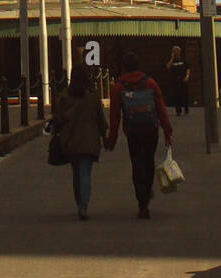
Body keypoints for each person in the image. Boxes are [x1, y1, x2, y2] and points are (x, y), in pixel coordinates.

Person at [106, 51, 173, 219]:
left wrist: (111, 139)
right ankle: (147, 192)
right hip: (151, 129)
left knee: (137, 164)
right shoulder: (150, 83)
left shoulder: (118, 87)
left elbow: (114, 116)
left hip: (133, 131)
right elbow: (160, 108)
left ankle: (142, 202)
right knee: (149, 162)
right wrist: (167, 131)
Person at [52, 63, 109, 220]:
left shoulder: (64, 96)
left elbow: (58, 119)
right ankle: (83, 204)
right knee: (85, 172)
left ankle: (80, 201)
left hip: (70, 140)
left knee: (76, 172)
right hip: (89, 140)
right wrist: (105, 138)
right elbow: (100, 119)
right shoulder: (92, 96)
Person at [164, 45, 191, 115]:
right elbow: (168, 66)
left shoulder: (183, 59)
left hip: (183, 78)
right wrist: (172, 58)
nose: (176, 52)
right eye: (174, 51)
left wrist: (187, 76)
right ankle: (178, 110)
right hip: (175, 79)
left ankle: (186, 109)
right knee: (176, 95)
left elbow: (188, 68)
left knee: (185, 94)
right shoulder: (172, 60)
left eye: (176, 51)